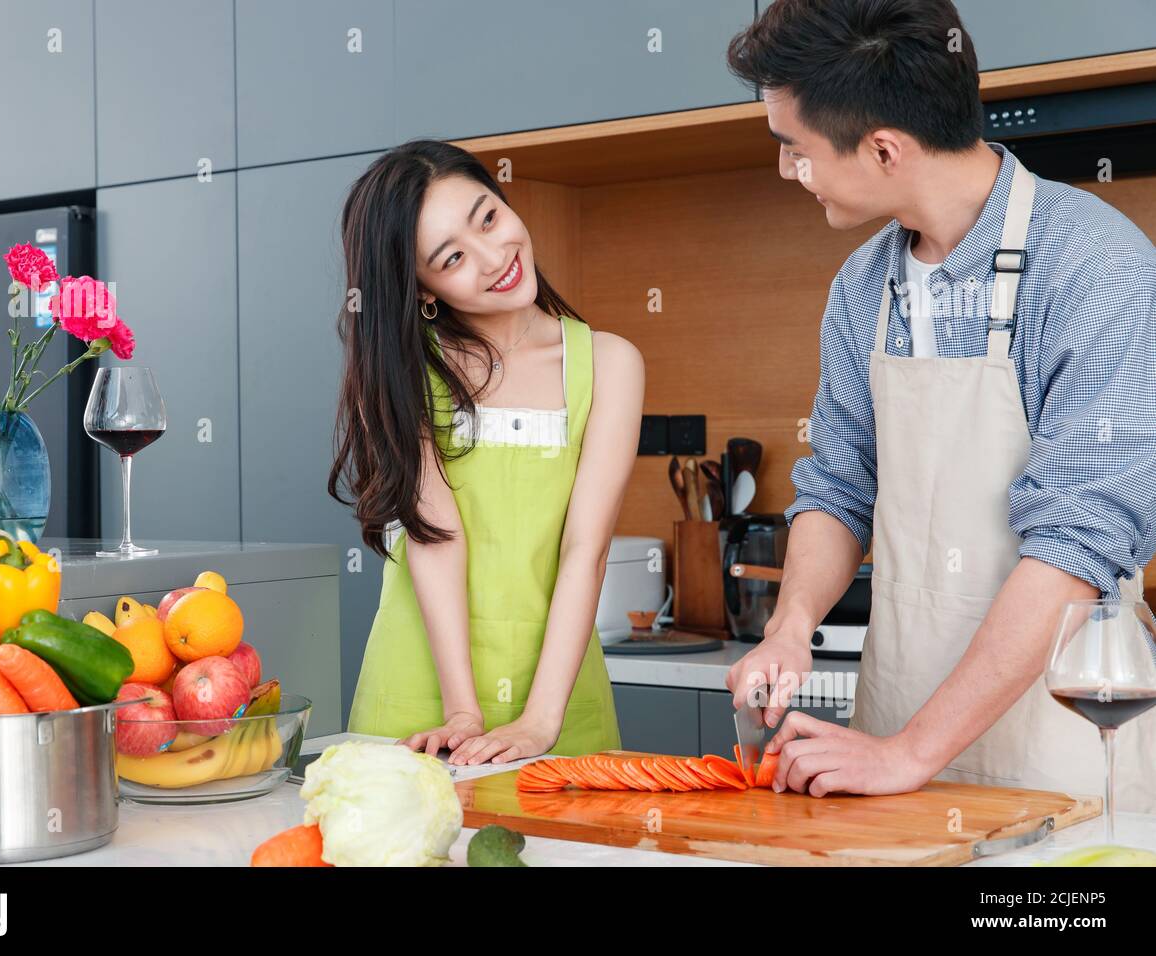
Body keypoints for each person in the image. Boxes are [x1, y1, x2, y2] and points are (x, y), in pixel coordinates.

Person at [723, 0, 1156, 811]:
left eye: (797, 150)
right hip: (889, 739)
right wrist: (788, 628)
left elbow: (1074, 546)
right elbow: (840, 484)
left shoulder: (1099, 271)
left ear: (884, 148)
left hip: (1059, 744)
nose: (788, 170)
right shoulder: (863, 287)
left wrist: (912, 753)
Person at [329, 140, 644, 765]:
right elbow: (434, 537)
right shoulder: (401, 377)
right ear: (420, 288)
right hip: (420, 700)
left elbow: (587, 548)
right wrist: (462, 712)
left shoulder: (608, 364)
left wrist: (539, 722)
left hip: (557, 701)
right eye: (451, 258)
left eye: (489, 218)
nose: (494, 255)